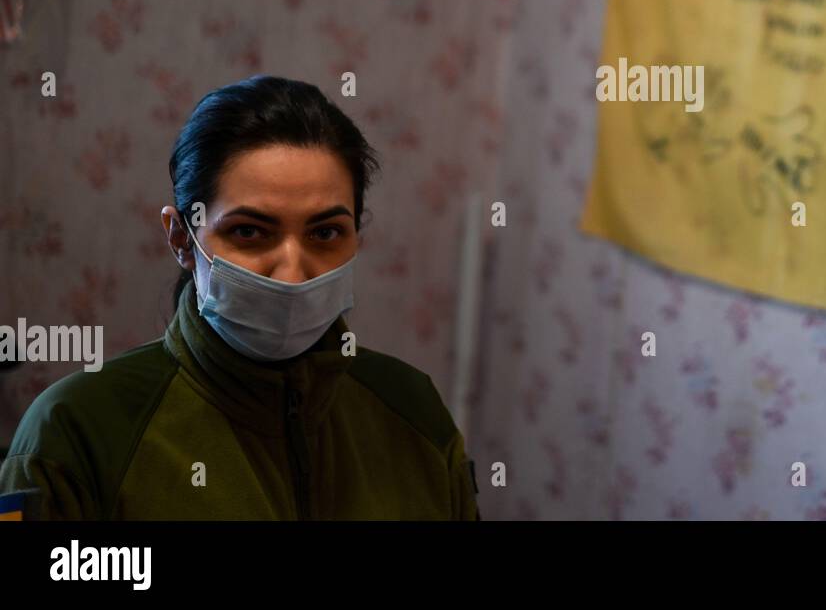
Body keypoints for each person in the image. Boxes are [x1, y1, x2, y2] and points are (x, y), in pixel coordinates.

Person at [0, 76, 480, 519]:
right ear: (182, 240)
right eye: (249, 231)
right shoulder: (78, 433)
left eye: (326, 232)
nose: (292, 271)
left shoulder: (413, 413)